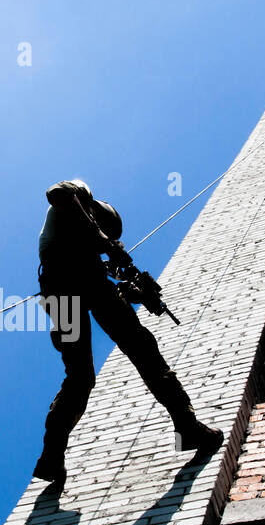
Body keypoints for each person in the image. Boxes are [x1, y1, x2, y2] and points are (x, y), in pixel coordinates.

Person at [33, 179, 223, 484]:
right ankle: (188, 427)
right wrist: (106, 243)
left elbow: (99, 281)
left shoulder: (85, 247)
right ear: (97, 213)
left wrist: (133, 291)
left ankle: (51, 459)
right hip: (70, 286)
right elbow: (57, 193)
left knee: (81, 376)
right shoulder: (78, 194)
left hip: (63, 292)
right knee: (141, 351)